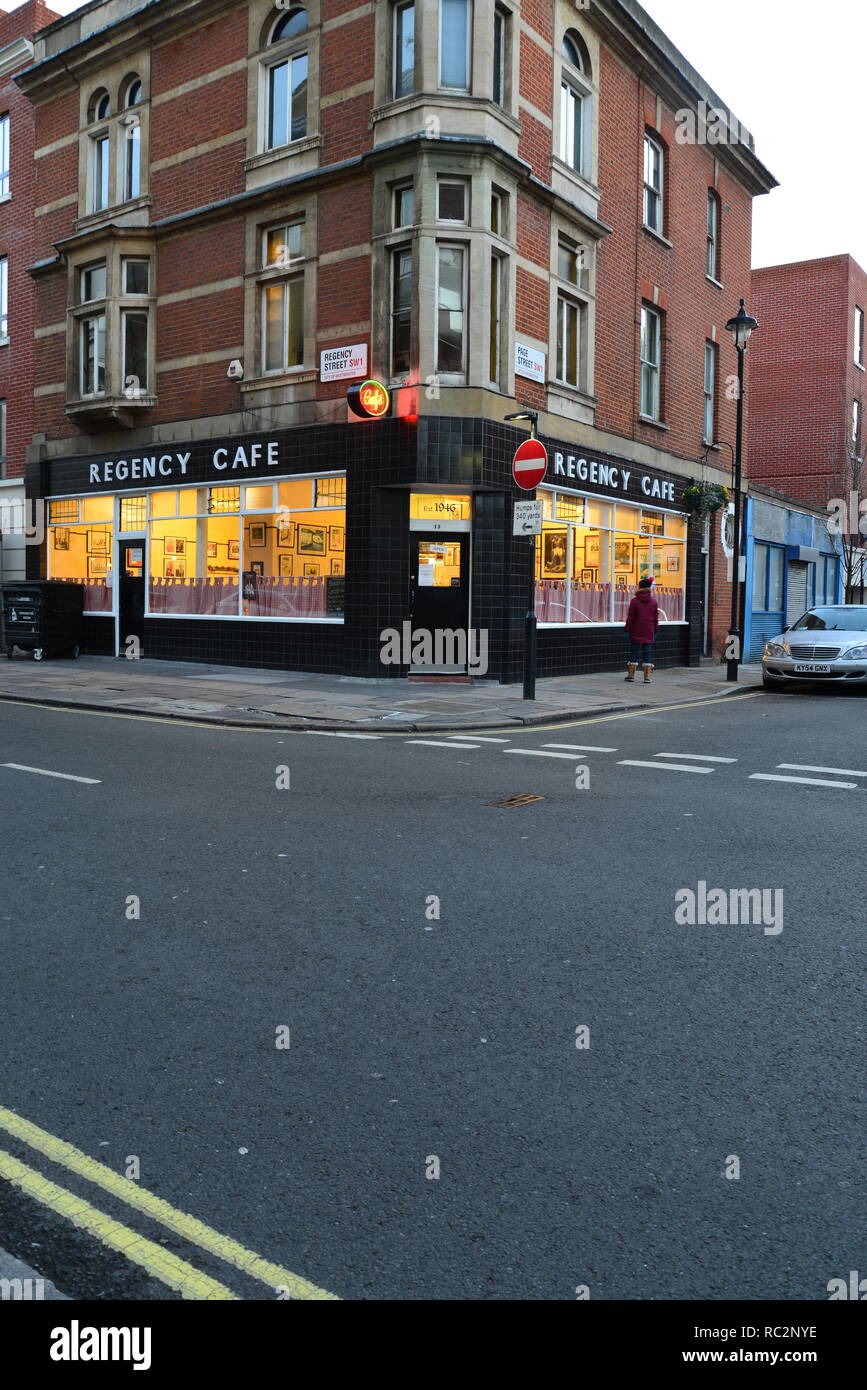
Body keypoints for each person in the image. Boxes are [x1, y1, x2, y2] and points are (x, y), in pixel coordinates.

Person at [624, 576, 659, 683]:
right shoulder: (653, 602)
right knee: (647, 652)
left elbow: (631, 617)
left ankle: (631, 675)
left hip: (636, 629)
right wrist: (656, 631)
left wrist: (627, 630)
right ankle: (647, 677)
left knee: (634, 651)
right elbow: (655, 618)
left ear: (639, 588)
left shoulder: (634, 601)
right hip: (649, 630)